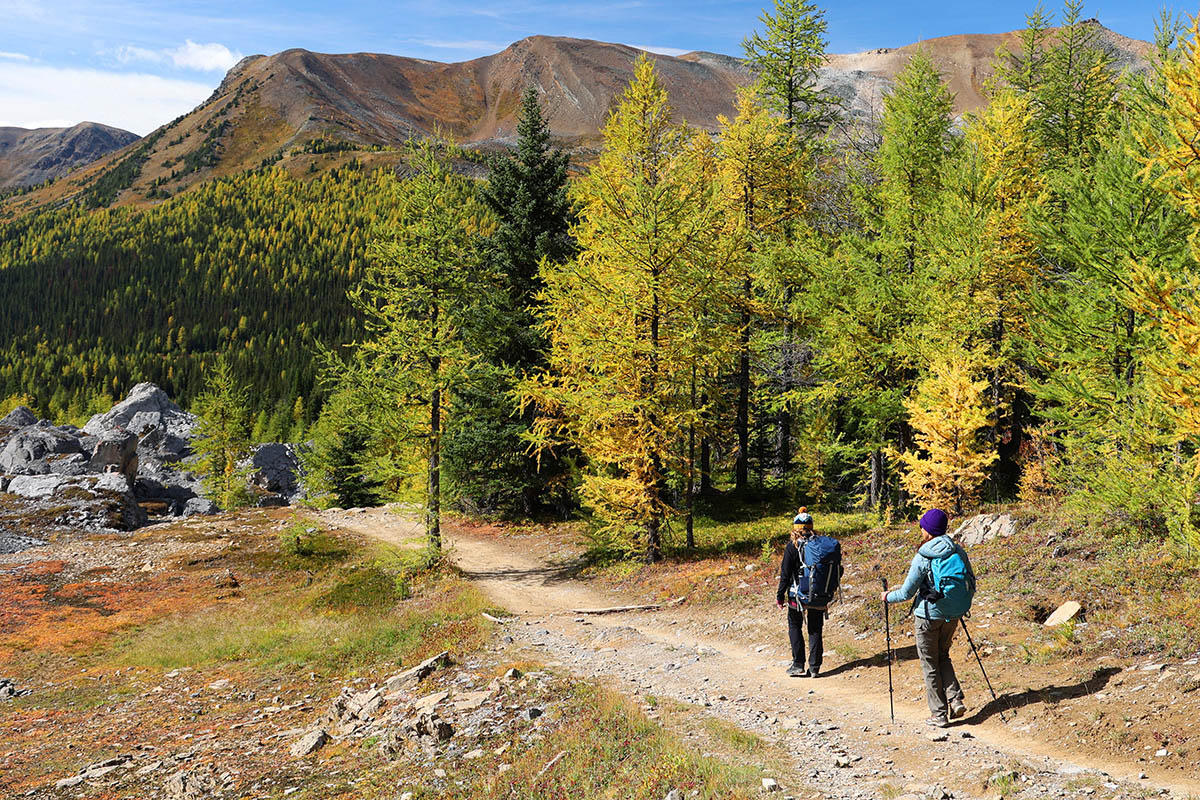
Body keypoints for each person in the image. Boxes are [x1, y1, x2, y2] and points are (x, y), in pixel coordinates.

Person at [881, 508, 976, 728]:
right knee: (943, 656)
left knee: (930, 663)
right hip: (952, 614)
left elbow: (906, 593)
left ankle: (939, 714)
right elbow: (971, 580)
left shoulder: (924, 556)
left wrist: (887, 597)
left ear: (928, 530)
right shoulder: (957, 550)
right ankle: (955, 699)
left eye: (922, 526)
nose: (921, 529)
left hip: (927, 616)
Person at [776, 507, 827, 678]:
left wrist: (780, 596)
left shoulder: (792, 546)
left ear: (795, 528)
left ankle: (798, 664)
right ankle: (815, 667)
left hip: (796, 593)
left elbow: (785, 574)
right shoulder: (821, 545)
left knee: (794, 625)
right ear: (812, 526)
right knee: (815, 628)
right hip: (818, 592)